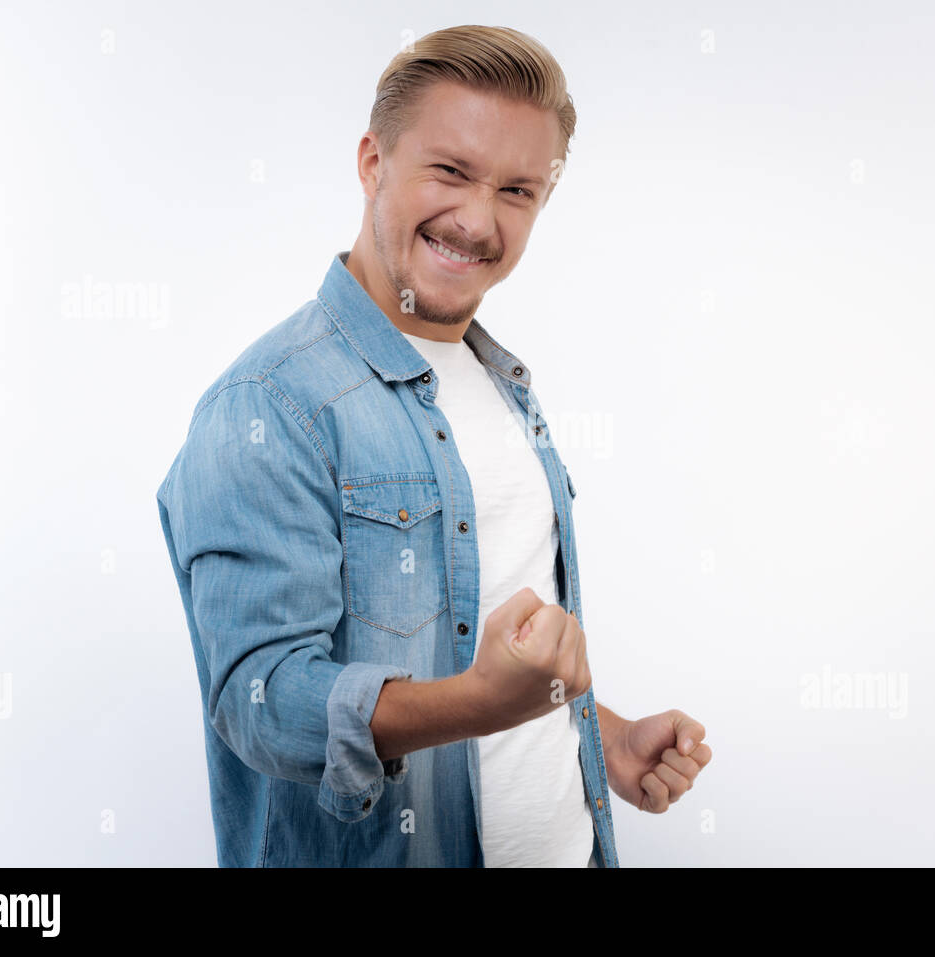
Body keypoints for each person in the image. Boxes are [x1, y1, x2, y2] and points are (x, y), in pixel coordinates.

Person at [155, 24, 711, 867]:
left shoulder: (502, 384)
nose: (479, 219)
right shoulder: (266, 403)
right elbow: (261, 701)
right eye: (450, 170)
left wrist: (604, 738)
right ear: (373, 161)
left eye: (518, 190)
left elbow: (469, 646)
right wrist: (479, 701)